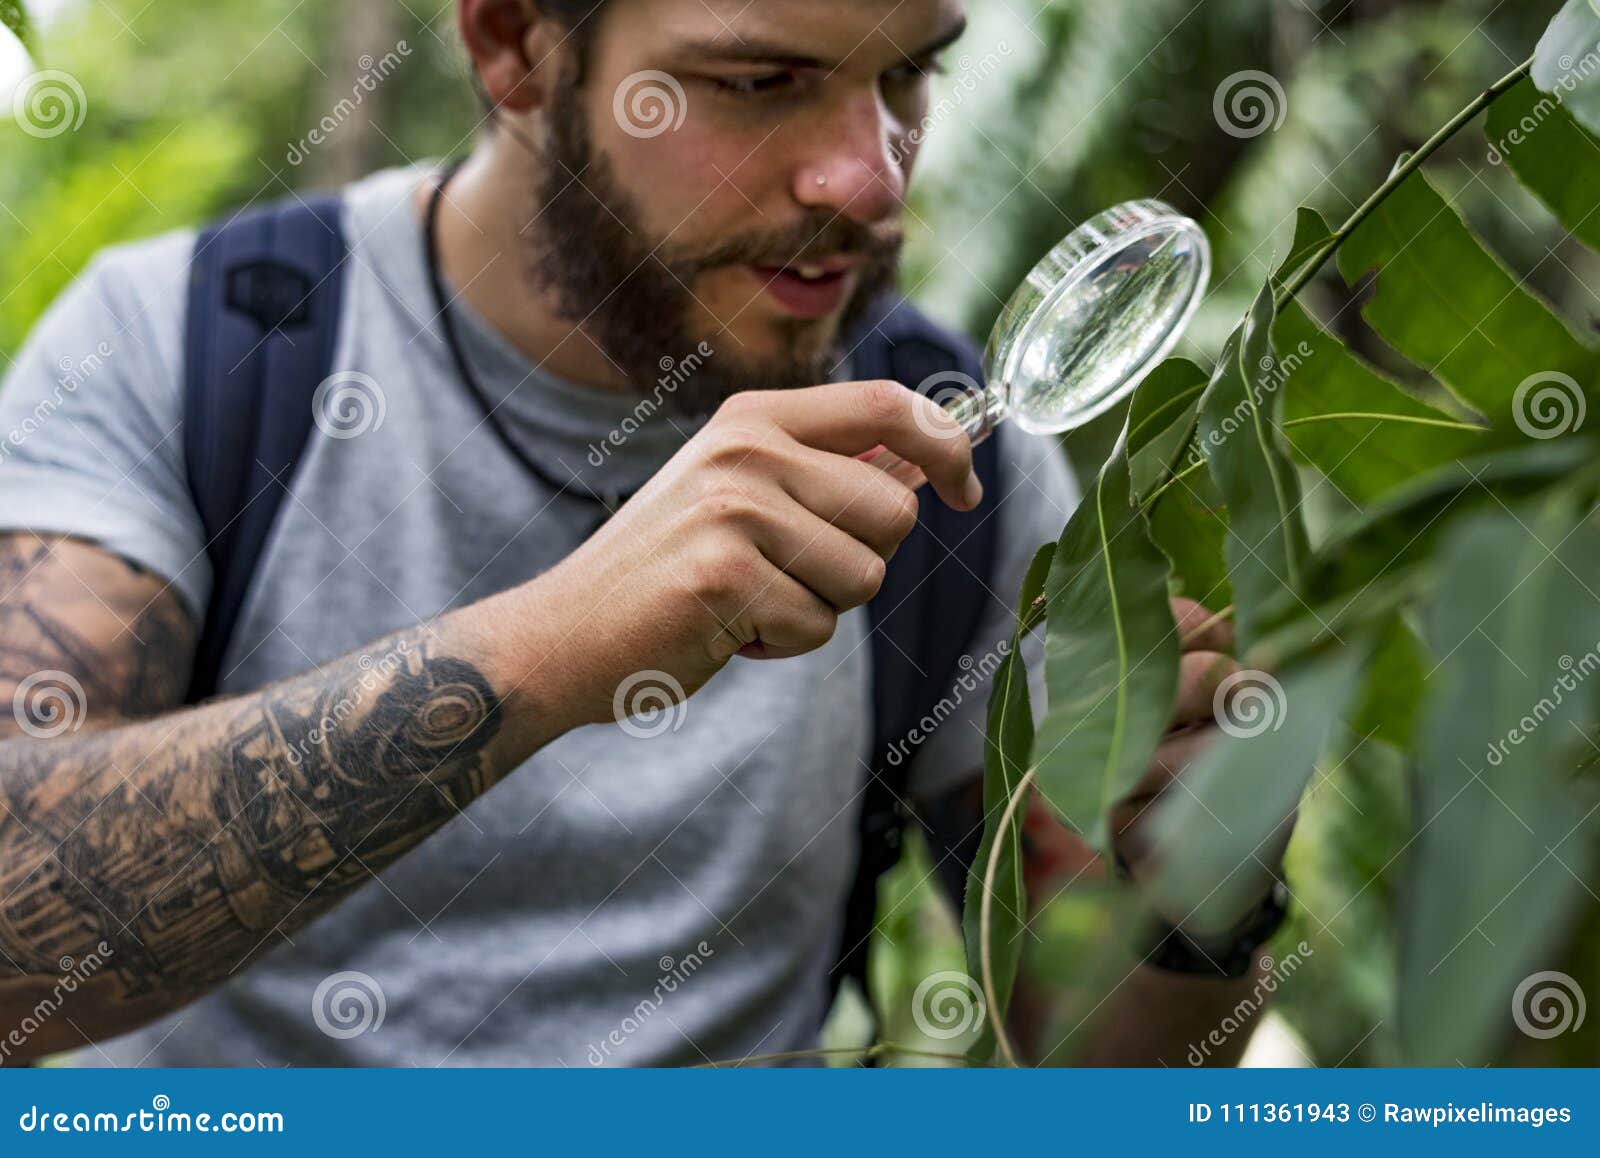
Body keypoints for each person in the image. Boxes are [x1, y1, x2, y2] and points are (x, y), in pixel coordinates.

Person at [0, 0, 1271, 1067]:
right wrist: (557, 649)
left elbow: (1095, 1061)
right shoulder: (200, 348)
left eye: (907, 75)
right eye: (758, 81)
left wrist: (1198, 891)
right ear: (513, 45)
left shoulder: (954, 454)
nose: (870, 178)